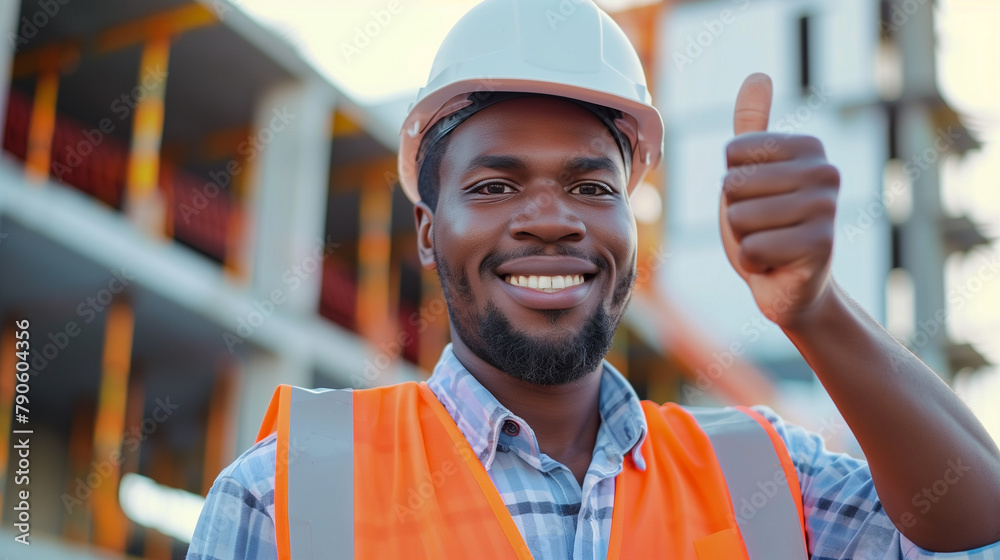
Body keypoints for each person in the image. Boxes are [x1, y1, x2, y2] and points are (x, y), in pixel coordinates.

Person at [186, 0, 1000, 558]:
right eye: (495, 186)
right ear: (429, 235)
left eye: (591, 187)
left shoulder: (762, 473)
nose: (551, 218)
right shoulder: (283, 494)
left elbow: (974, 531)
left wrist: (815, 311)